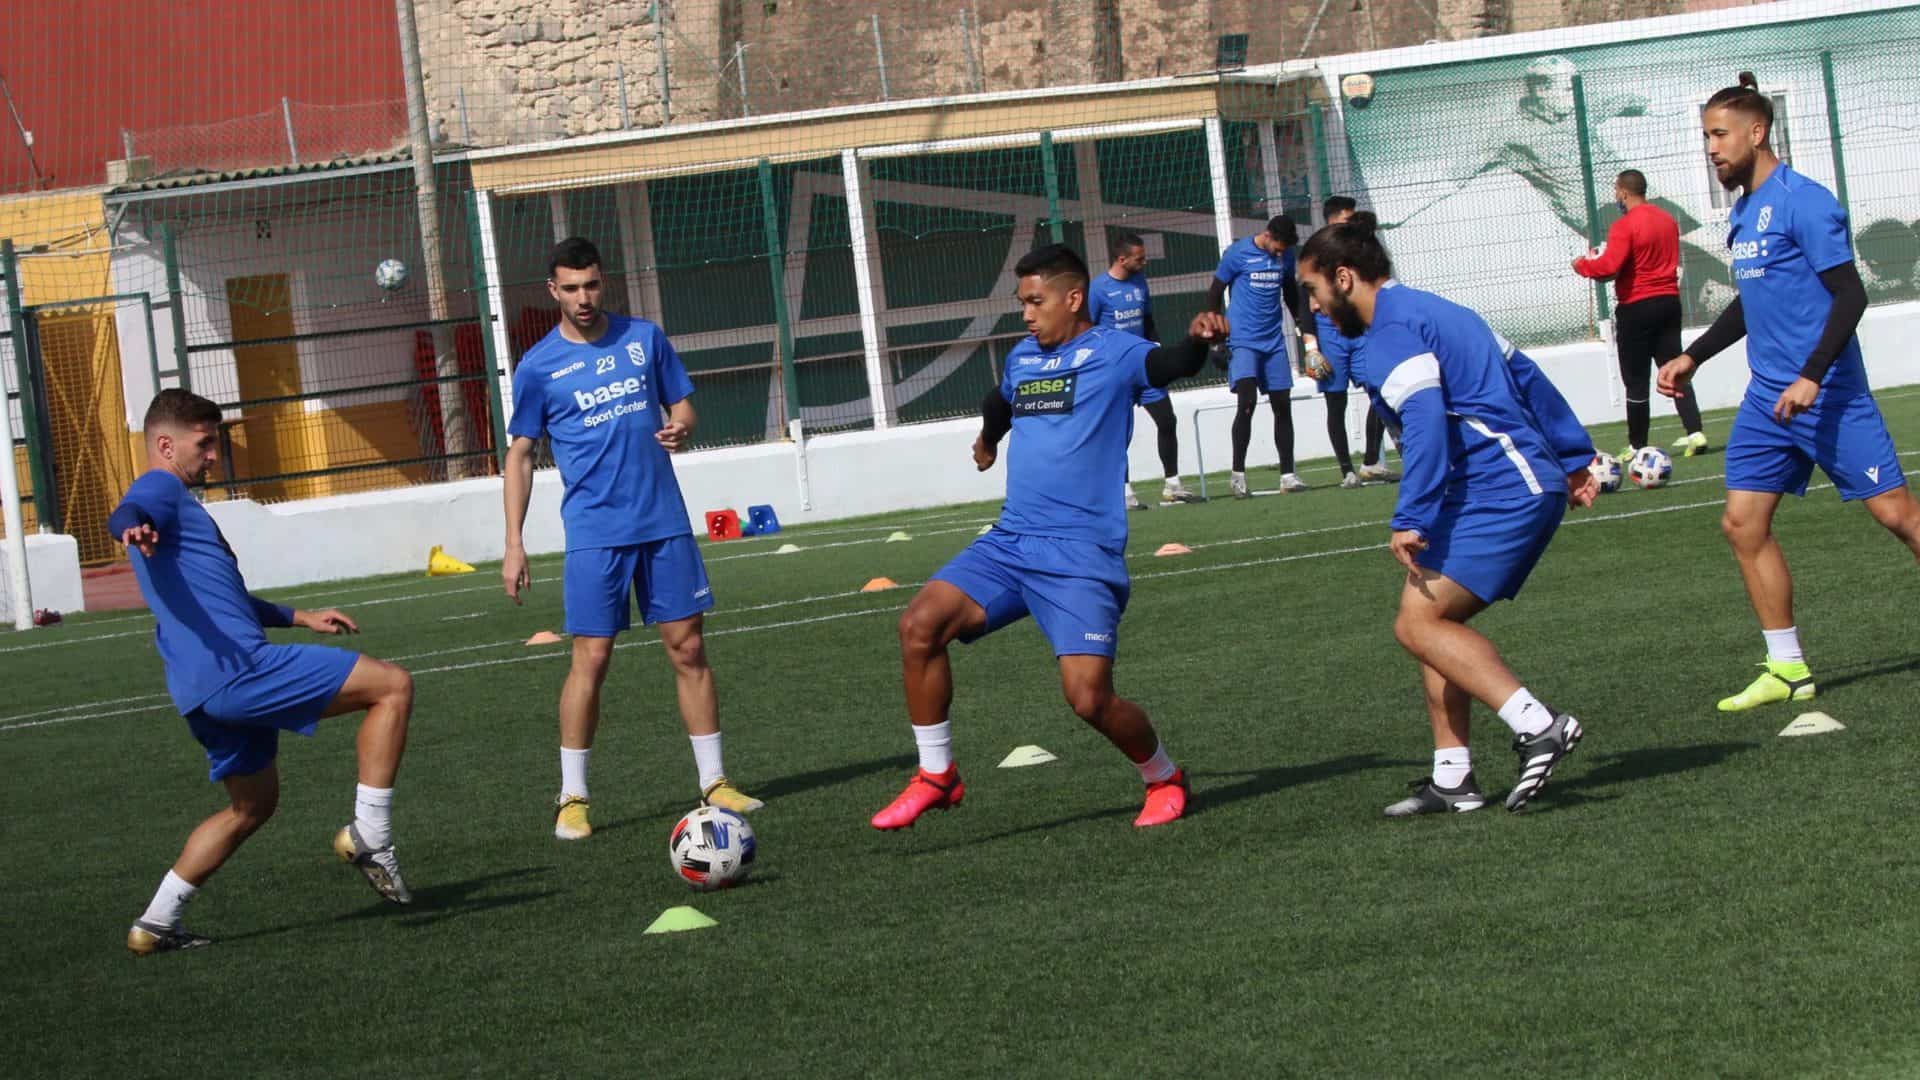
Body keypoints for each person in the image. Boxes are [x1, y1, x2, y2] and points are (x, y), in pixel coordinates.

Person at [872, 244, 1227, 831]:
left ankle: (1164, 776)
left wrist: (1198, 340)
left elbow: (1172, 366)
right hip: (1012, 542)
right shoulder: (1022, 359)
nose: (1027, 314)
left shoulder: (1115, 352)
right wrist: (989, 439)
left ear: (1073, 298)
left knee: (1089, 700)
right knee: (918, 625)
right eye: (1023, 303)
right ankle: (937, 775)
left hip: (1081, 556)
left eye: (1036, 301)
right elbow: (1000, 401)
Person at [1297, 215, 1598, 816]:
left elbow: (1428, 421)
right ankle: (1453, 776)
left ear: (1344, 276)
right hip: (1511, 483)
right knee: (1425, 620)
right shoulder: (1440, 310)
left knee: (1419, 627)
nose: (1314, 309)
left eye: (1313, 291)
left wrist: (1411, 514)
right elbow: (1526, 374)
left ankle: (1537, 725)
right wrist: (1571, 455)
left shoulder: (1390, 333)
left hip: (1499, 490)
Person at [111, 389, 417, 954]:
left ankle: (154, 924)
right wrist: (130, 524)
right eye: (204, 444)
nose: (213, 457)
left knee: (252, 807)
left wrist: (300, 616)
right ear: (164, 444)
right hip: (241, 671)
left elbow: (222, 598)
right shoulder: (160, 491)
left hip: (201, 691)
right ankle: (370, 835)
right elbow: (130, 507)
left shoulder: (179, 513)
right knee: (393, 686)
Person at [1658, 73, 1920, 713]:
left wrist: (1813, 374)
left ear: (1758, 132)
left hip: (1827, 396)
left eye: (1719, 135)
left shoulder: (1804, 200)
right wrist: (1694, 354)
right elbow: (1756, 301)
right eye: (1705, 137)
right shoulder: (1744, 208)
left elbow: (1850, 293)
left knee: (1898, 518)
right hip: (1767, 402)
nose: (1711, 149)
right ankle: (1787, 666)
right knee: (1742, 524)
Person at [502, 237, 761, 841]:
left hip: (663, 522)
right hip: (594, 533)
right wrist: (513, 543)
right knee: (590, 658)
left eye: (591, 285)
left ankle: (716, 781)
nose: (583, 298)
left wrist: (681, 430)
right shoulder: (538, 367)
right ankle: (572, 796)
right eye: (571, 288)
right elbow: (519, 456)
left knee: (689, 650)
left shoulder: (644, 339)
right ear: (553, 291)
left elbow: (685, 410)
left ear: (603, 281)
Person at [1573, 169, 1708, 460]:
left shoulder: (1624, 225)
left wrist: (1583, 264)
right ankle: (1695, 432)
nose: (1615, 197)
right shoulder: (1667, 220)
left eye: (1615, 191)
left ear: (1623, 192)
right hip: (1670, 301)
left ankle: (1637, 446)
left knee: (1635, 378)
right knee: (1675, 368)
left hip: (1637, 305)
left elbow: (1609, 268)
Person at [1086, 233, 1199, 507]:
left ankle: (1173, 486)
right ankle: (1124, 492)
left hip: (1145, 367)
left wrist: (1156, 349)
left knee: (1167, 420)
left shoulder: (1140, 283)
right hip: (1115, 372)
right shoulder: (1099, 289)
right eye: (1140, 258)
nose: (1145, 261)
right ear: (1121, 259)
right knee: (1118, 432)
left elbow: (1147, 320)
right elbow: (1087, 331)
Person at [1210, 215, 1306, 498]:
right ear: (1268, 235)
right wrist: (1216, 340)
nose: (1280, 253)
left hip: (1273, 341)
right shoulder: (1237, 254)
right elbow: (1214, 293)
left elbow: (1289, 292)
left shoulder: (1286, 257)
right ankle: (1238, 475)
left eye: (1284, 250)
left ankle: (1288, 475)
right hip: (1242, 340)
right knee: (1247, 403)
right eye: (1278, 247)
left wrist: (1303, 327)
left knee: (1282, 405)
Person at [1300, 196, 1392, 487]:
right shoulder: (1316, 249)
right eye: (1347, 218)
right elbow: (1304, 298)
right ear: (1334, 219)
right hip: (1330, 331)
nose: (1351, 223)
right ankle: (1346, 471)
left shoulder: (1358, 248)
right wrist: (1311, 346)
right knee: (1335, 401)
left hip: (1360, 329)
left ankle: (1370, 461)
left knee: (1380, 390)